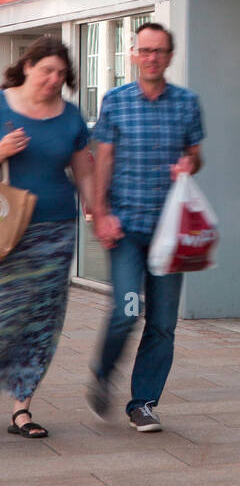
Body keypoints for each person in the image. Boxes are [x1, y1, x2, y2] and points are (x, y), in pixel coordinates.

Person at [87, 22, 205, 433]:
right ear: (133, 55)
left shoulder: (188, 103)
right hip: (126, 227)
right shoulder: (115, 101)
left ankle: (143, 403)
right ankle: (102, 373)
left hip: (169, 232)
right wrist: (100, 212)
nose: (152, 57)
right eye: (145, 50)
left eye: (159, 51)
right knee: (125, 310)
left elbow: (196, 154)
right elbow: (103, 160)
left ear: (170, 56)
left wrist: (190, 164)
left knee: (162, 322)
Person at [0, 37, 93, 439]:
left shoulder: (70, 116)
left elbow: (83, 168)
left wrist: (95, 209)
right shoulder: (1, 105)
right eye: (47, 71)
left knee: (42, 321)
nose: (54, 79)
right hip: (6, 230)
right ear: (27, 67)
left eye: (61, 73)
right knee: (5, 318)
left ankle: (23, 410)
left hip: (56, 229)